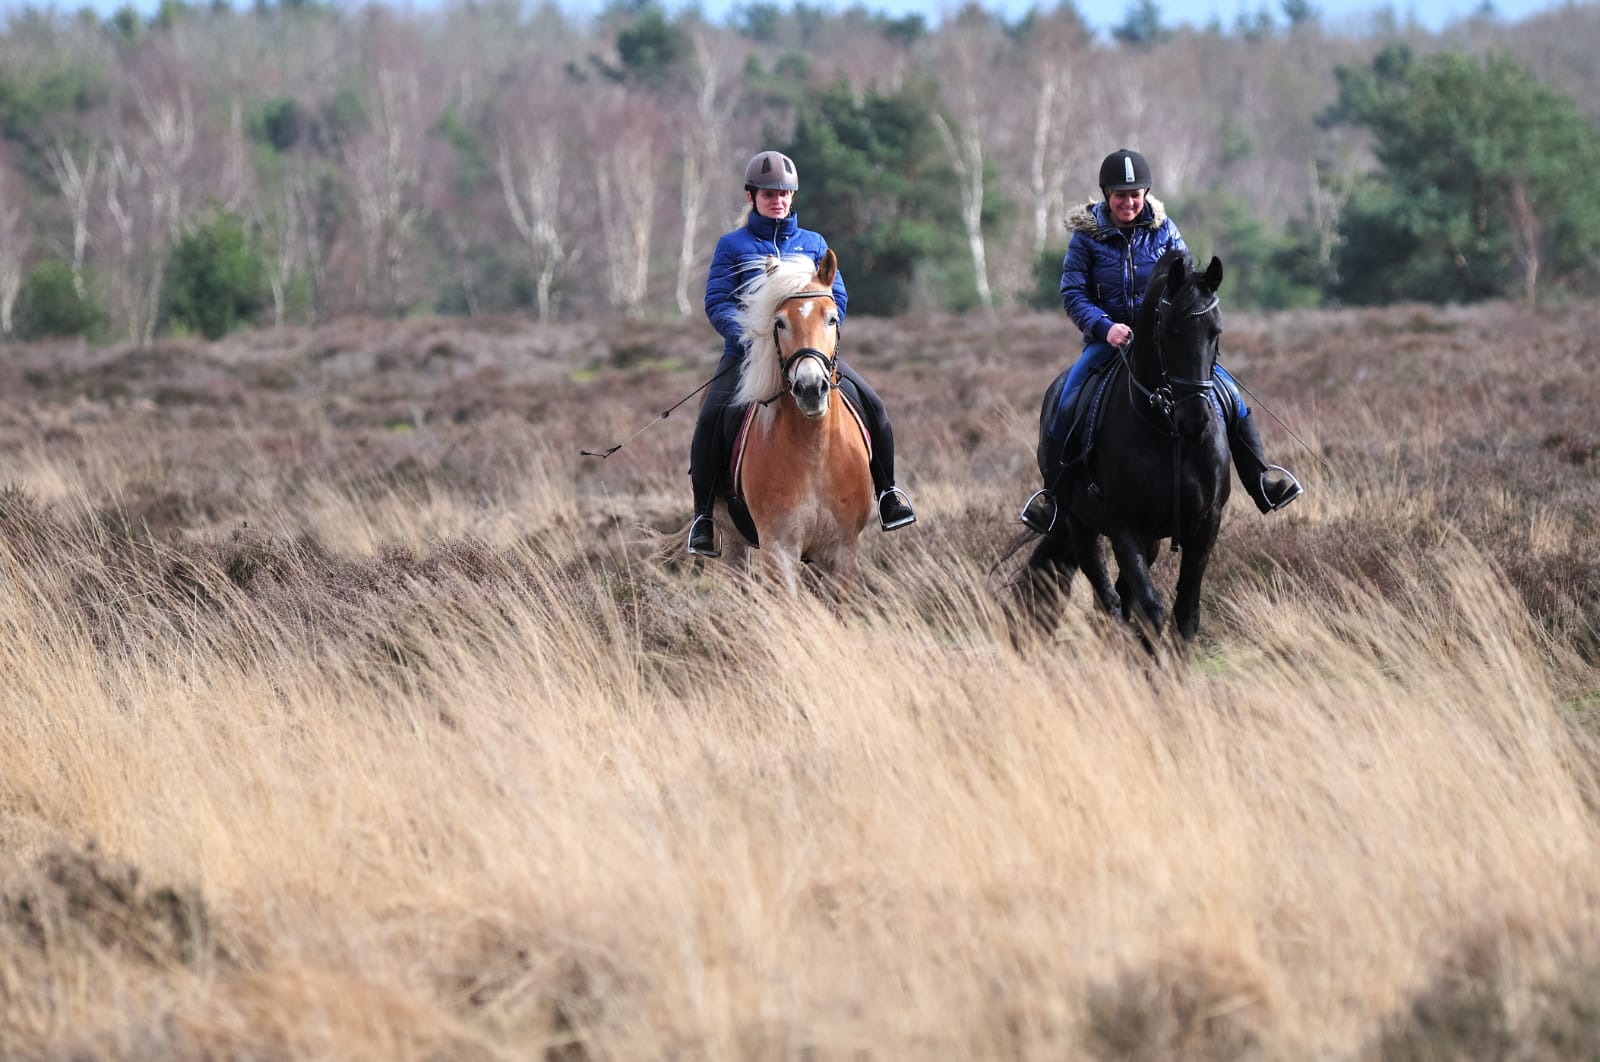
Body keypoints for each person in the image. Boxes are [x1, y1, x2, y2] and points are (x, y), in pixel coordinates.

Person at [1019, 148, 1303, 533]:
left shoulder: (1164, 230)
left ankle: (1262, 480)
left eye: (1135, 194)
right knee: (1067, 402)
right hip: (1109, 342)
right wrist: (1105, 327)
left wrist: (1177, 324)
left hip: (1164, 343)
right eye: (1120, 195)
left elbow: (1188, 285)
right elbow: (1073, 293)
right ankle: (1053, 498)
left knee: (1231, 396)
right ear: (1106, 195)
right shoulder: (1085, 238)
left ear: (1146, 194)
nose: (1128, 202)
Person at [687, 149, 916, 556]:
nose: (777, 200)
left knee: (874, 406)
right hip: (748, 355)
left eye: (784, 193)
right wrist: (753, 337)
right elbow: (717, 301)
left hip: (810, 353)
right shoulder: (733, 246)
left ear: (793, 196)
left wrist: (818, 338)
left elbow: (836, 298)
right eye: (768, 193)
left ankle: (888, 493)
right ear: (751, 196)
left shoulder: (814, 244)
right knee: (710, 418)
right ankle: (704, 515)